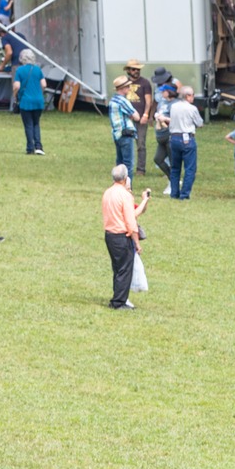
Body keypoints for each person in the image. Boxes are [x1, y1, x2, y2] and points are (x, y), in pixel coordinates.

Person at [101, 163, 148, 310]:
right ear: (125, 178)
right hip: (121, 236)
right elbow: (130, 221)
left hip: (109, 235)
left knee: (118, 269)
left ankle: (119, 297)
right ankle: (119, 302)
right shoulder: (125, 195)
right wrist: (137, 243)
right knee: (125, 269)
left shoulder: (108, 192)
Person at [164, 85, 202, 198]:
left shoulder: (174, 106)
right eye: (192, 95)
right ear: (188, 96)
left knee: (175, 168)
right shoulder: (192, 108)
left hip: (174, 138)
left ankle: (174, 193)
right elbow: (200, 123)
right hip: (187, 138)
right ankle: (184, 194)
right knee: (190, 168)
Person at [6, 48, 46, 155]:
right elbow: (44, 85)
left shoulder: (20, 70)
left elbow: (17, 86)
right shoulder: (38, 69)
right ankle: (39, 146)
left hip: (25, 101)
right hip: (38, 101)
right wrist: (39, 93)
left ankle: (30, 148)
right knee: (36, 123)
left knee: (28, 124)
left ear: (22, 59)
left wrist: (15, 95)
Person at [109, 78, 140, 175]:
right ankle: (127, 184)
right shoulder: (123, 101)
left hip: (116, 134)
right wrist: (130, 115)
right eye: (127, 86)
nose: (129, 88)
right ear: (122, 88)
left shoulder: (112, 100)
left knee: (119, 163)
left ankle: (118, 183)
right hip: (126, 134)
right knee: (128, 165)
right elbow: (137, 117)